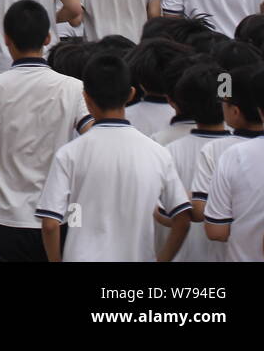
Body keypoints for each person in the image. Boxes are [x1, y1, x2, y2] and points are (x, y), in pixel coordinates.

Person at [0, 0, 89, 261]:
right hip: (59, 216)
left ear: (6, 40)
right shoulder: (73, 88)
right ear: (48, 37)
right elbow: (95, 141)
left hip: (4, 217)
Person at [37, 54, 191, 261]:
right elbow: (182, 218)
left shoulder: (70, 153)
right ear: (130, 94)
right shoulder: (157, 152)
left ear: (86, 98)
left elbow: (50, 224)